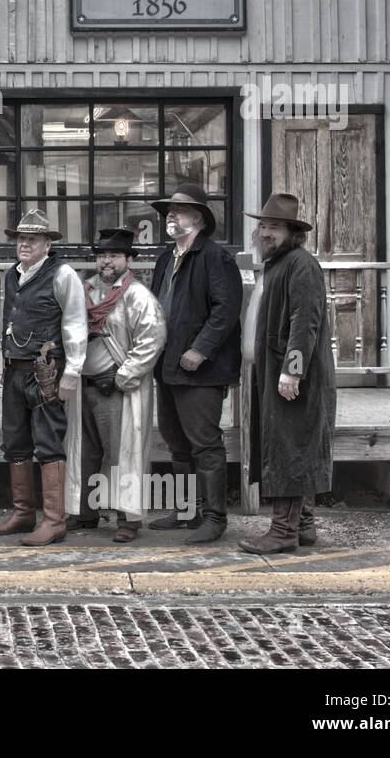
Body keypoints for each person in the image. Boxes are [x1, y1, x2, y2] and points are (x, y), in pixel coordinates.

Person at [239, 193, 335, 554]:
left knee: (291, 450)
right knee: (287, 445)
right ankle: (303, 525)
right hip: (272, 371)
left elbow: (304, 322)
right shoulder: (278, 264)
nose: (265, 233)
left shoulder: (301, 265)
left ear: (292, 233)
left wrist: (291, 372)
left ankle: (283, 532)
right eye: (262, 226)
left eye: (274, 227)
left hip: (295, 377)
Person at [147, 183, 242, 543]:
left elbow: (226, 310)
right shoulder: (165, 258)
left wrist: (200, 350)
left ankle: (215, 518)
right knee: (177, 444)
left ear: (198, 218)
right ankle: (188, 511)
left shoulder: (215, 257)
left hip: (201, 371)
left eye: (179, 210)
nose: (170, 215)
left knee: (205, 443)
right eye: (168, 211)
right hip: (167, 366)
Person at [0, 210, 88, 546]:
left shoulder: (63, 275)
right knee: (15, 441)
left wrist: (72, 372)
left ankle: (54, 520)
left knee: (48, 442)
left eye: (32, 239)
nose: (24, 244)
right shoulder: (11, 275)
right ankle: (22, 512)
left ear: (48, 243)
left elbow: (76, 323)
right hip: (15, 370)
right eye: (20, 239)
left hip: (47, 373)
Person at [65, 228, 167, 543]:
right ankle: (85, 511)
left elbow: (152, 341)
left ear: (127, 259)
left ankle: (127, 518)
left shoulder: (139, 296)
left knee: (121, 454)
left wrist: (121, 376)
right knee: (85, 451)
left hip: (118, 386)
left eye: (113, 255)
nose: (106, 261)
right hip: (86, 383)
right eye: (102, 256)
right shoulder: (85, 291)